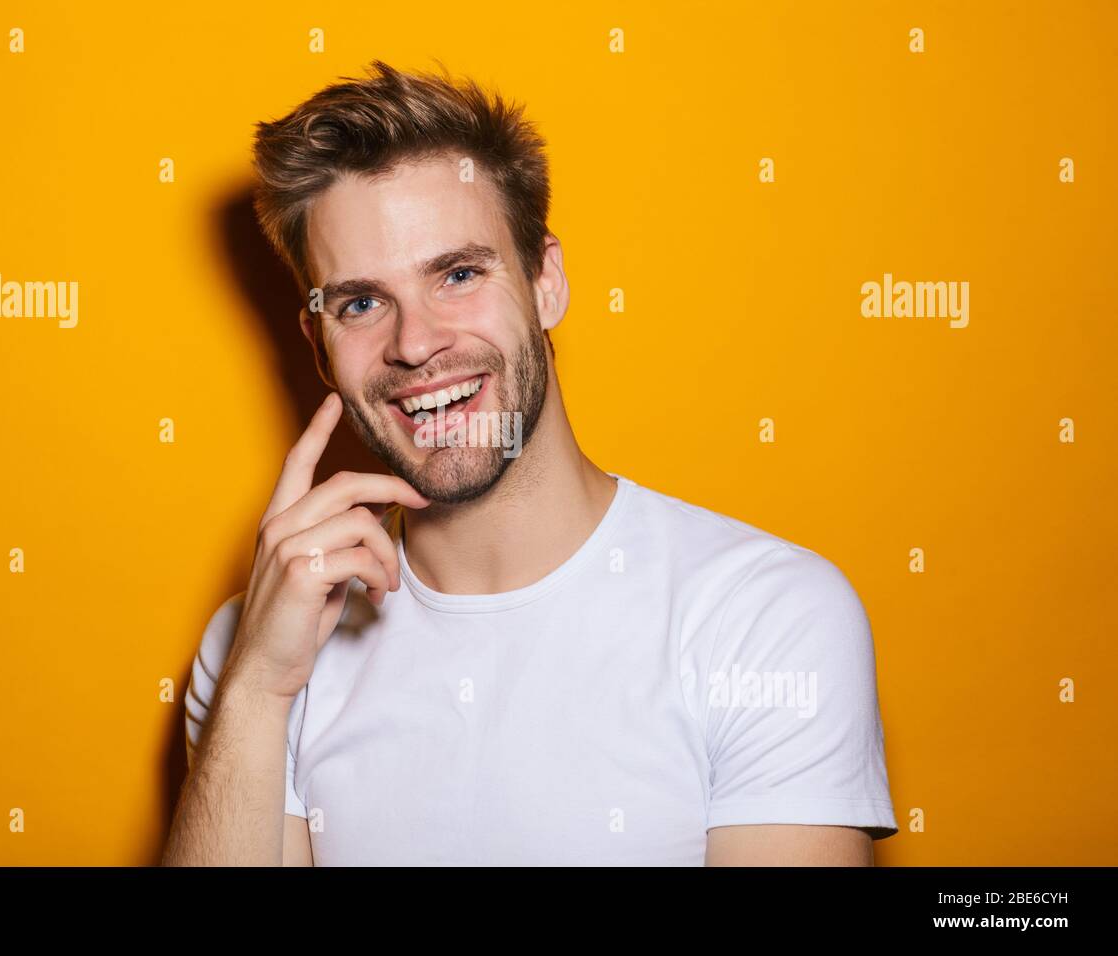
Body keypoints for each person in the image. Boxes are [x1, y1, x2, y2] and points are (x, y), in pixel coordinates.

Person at [161, 60, 897, 866]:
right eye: (362, 303)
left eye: (459, 274)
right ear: (319, 344)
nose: (416, 343)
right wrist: (259, 688)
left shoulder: (761, 618)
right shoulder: (257, 645)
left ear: (546, 282)